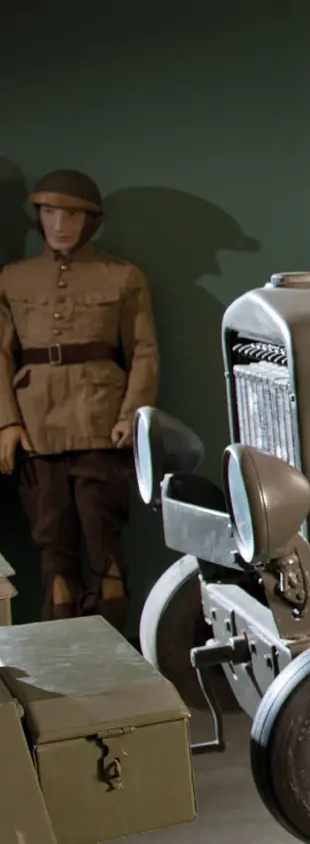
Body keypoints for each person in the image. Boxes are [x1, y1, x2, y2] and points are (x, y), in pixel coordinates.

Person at [0, 170, 159, 629]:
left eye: (71, 213)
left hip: (100, 421)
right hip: (36, 425)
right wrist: (7, 422)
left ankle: (114, 650)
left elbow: (144, 350)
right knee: (50, 542)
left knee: (103, 536)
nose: (59, 223)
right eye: (49, 212)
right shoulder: (13, 279)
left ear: (92, 221)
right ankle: (63, 652)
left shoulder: (122, 277)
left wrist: (132, 415)